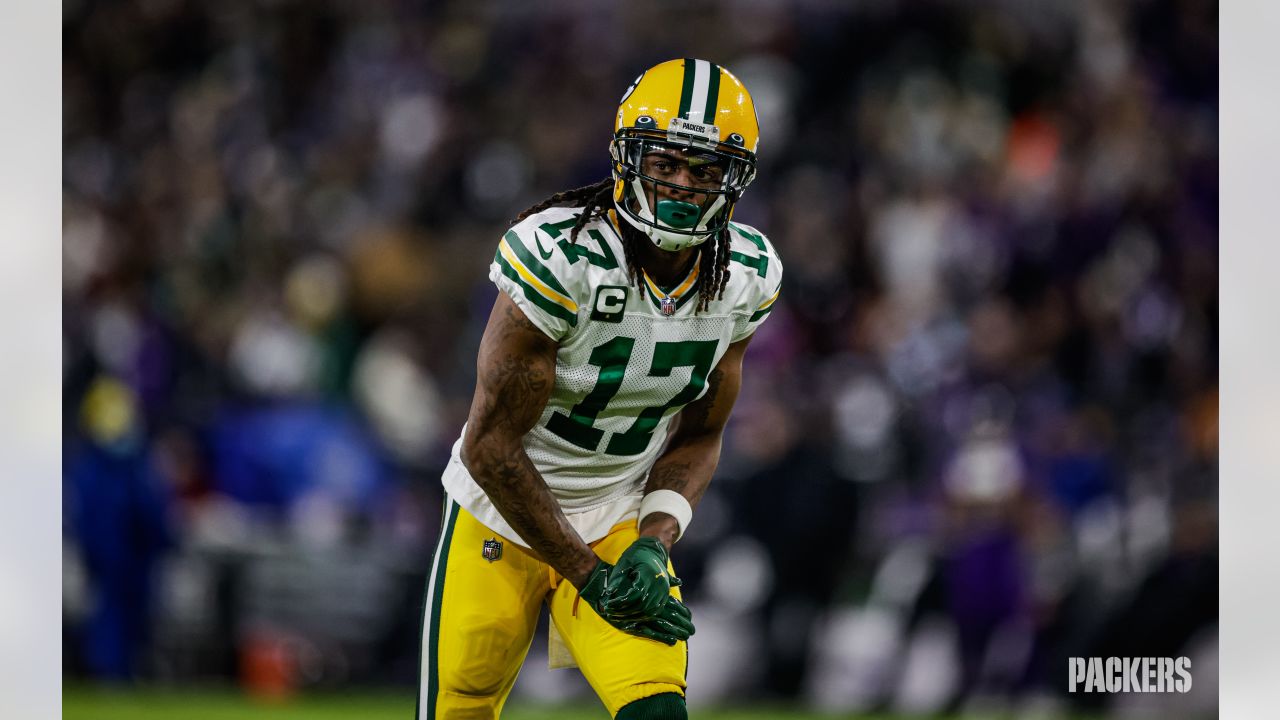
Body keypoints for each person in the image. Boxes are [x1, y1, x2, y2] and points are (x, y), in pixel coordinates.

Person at [415, 58, 783, 720]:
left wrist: (653, 542)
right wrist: (586, 573)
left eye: (705, 171)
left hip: (617, 510)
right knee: (460, 709)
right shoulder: (562, 256)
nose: (682, 185)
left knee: (656, 712)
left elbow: (702, 434)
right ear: (626, 158)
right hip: (500, 514)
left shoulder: (744, 276)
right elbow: (488, 447)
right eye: (665, 162)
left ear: (735, 178)